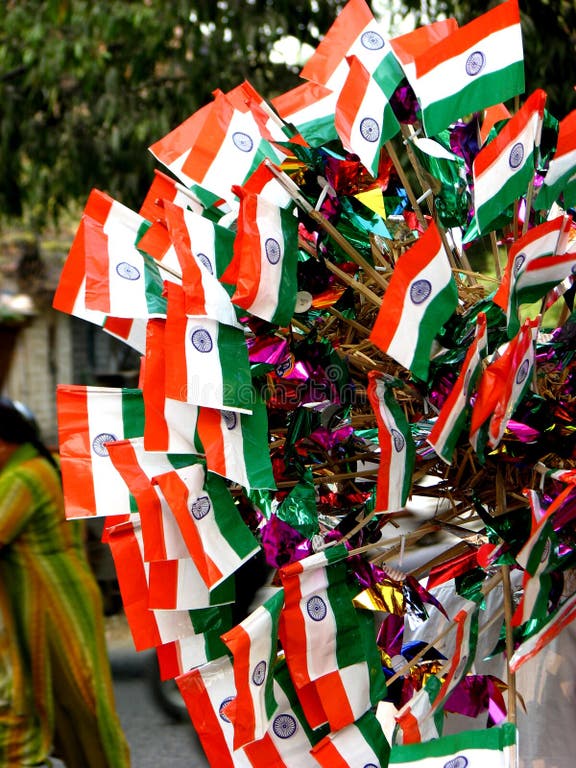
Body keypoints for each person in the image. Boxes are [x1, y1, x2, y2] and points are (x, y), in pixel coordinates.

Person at [0, 398, 131, 767]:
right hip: (71, 593)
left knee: (47, 696)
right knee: (81, 696)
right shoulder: (51, 465)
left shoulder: (22, 478)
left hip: (45, 601)